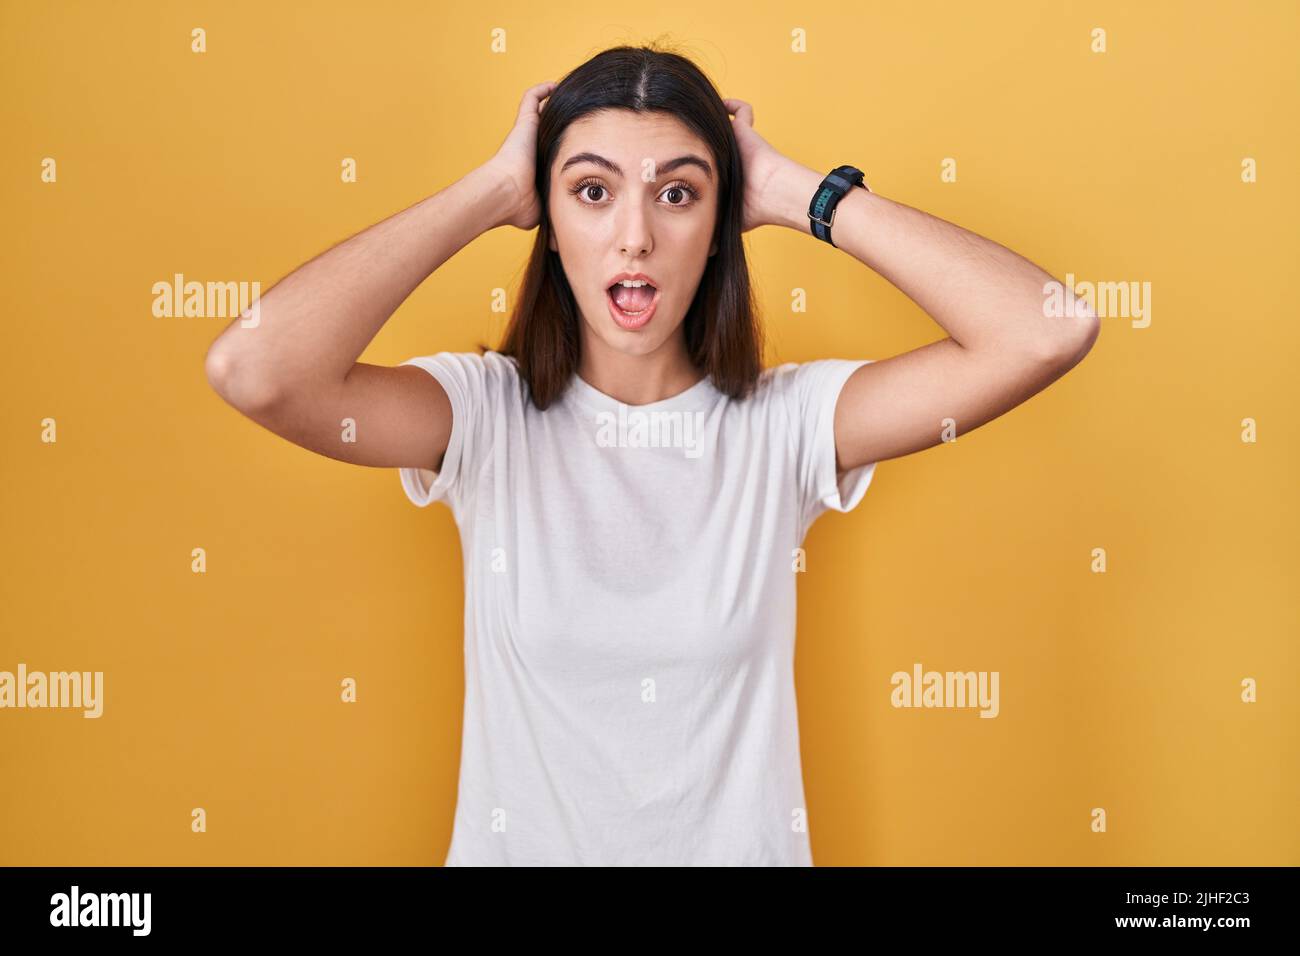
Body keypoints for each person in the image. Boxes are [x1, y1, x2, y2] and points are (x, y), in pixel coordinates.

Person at [204, 44, 1100, 866]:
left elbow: (1047, 332)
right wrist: (489, 193)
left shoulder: (782, 427)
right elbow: (256, 371)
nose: (635, 235)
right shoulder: (485, 418)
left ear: (720, 224)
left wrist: (795, 192)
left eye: (678, 193)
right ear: (548, 220)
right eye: (592, 191)